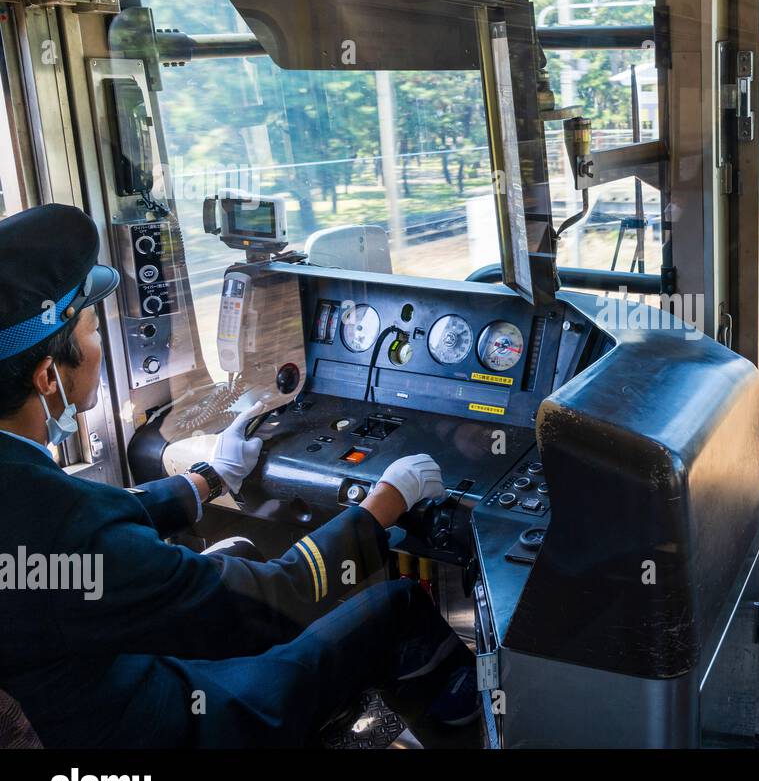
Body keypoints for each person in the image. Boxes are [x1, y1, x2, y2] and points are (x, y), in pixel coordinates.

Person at [0, 204, 477, 747]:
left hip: (91, 703)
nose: (97, 348)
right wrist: (387, 500)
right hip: (171, 730)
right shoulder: (63, 526)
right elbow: (282, 596)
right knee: (397, 609)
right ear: (46, 376)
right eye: (90, 331)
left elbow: (99, 526)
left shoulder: (29, 494)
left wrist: (209, 477)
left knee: (240, 554)